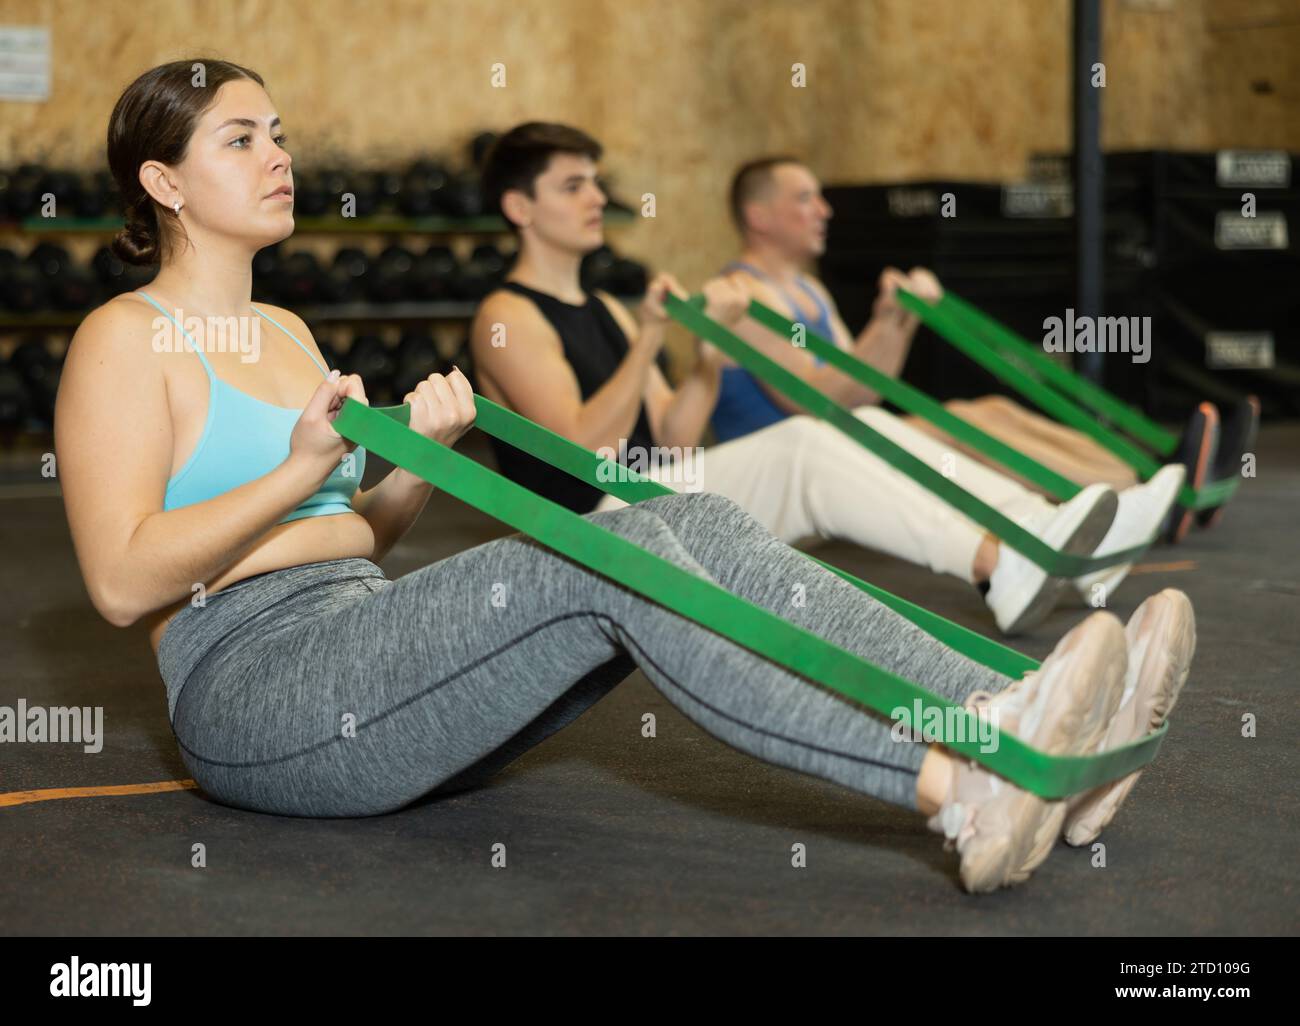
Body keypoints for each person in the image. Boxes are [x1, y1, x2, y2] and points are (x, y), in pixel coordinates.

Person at [56, 60, 1195, 897]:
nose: (278, 158)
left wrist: (412, 473)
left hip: (365, 632)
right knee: (611, 559)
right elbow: (119, 581)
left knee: (684, 511)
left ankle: (1009, 722)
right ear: (162, 180)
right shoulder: (122, 338)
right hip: (251, 692)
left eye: (279, 134)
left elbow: (356, 536)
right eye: (241, 140)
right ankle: (959, 791)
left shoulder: (292, 330)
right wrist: (304, 474)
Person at [470, 122, 1171, 635]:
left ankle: (1039, 535)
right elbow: (579, 454)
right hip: (585, 534)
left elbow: (672, 438)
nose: (596, 196)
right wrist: (655, 335)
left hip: (648, 498)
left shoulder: (606, 312)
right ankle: (999, 562)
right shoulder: (508, 314)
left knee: (862, 425)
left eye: (595, 180)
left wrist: (707, 355)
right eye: (573, 185)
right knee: (807, 441)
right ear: (519, 208)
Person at [719, 156, 1254, 545]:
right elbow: (819, 403)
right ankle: (1140, 500)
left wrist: (898, 322)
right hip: (790, 479)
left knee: (989, 409)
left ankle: (1157, 475)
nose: (824, 209)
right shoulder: (744, 299)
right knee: (959, 424)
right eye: (803, 198)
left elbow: (863, 387)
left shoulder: (809, 292)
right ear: (759, 216)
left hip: (836, 443)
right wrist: (889, 320)